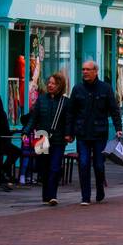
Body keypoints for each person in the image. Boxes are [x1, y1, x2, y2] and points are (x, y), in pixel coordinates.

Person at [68, 59, 123, 205]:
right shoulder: (77, 89)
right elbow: (71, 113)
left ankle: (100, 188)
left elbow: (114, 110)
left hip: (99, 133)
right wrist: (70, 132)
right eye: (83, 69)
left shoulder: (105, 88)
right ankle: (85, 196)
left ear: (95, 71)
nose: (85, 72)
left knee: (99, 165)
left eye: (88, 69)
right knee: (84, 163)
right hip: (82, 133)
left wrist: (119, 129)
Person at [30, 72, 72, 205]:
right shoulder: (41, 99)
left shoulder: (65, 102)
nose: (50, 85)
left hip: (58, 139)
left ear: (60, 85)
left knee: (54, 167)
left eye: (53, 83)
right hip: (42, 136)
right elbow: (34, 118)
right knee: (43, 167)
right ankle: (46, 195)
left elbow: (68, 121)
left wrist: (69, 134)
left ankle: (53, 195)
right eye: (49, 82)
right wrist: (26, 131)